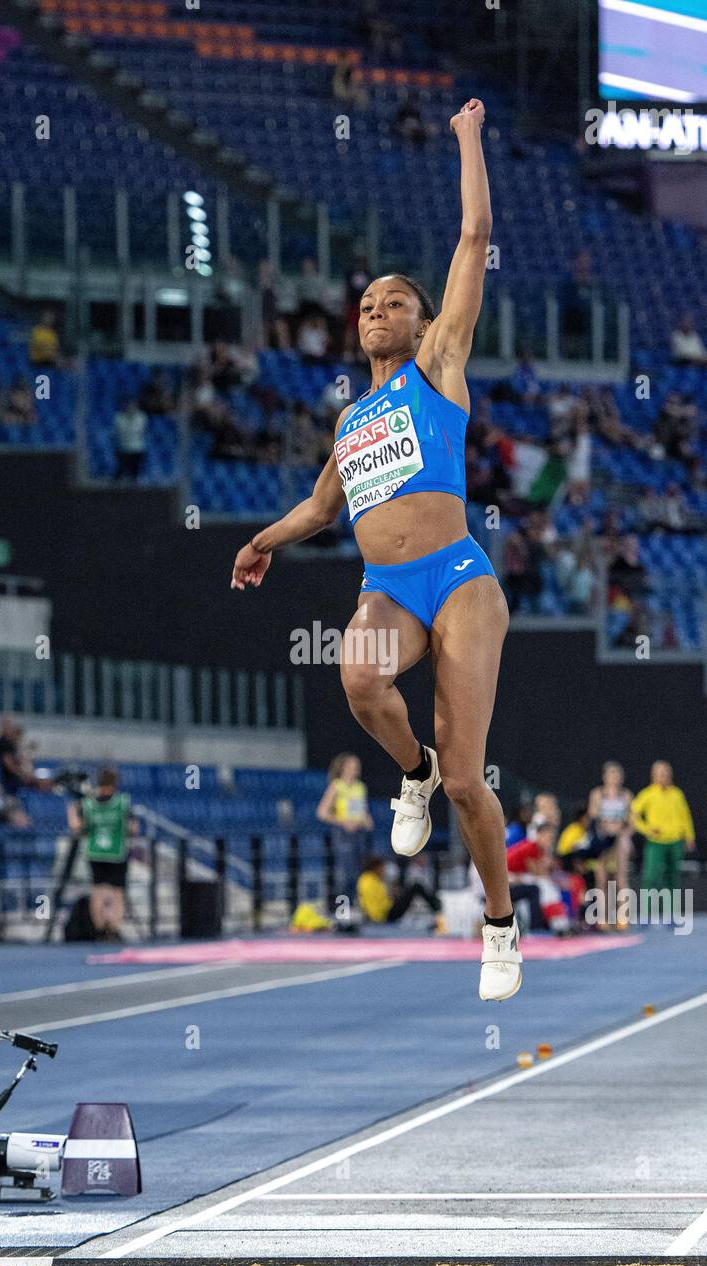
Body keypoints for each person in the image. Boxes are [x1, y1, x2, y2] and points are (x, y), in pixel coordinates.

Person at [233, 99, 522, 1001]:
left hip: (460, 578)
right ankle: (411, 776)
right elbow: (323, 504)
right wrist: (261, 539)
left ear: (420, 318)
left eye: (392, 299)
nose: (374, 309)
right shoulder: (353, 421)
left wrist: (468, 138)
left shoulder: (438, 365)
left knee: (472, 781)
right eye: (365, 303)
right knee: (360, 680)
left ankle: (501, 925)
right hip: (389, 585)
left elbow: (474, 236)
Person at [66, 767, 138, 940]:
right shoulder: (122, 802)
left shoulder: (88, 803)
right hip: (116, 852)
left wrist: (71, 812)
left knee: (98, 891)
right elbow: (133, 828)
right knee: (117, 893)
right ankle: (113, 929)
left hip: (95, 852)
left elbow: (77, 828)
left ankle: (99, 931)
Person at [630, 762, 695, 911]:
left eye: (666, 773)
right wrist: (647, 829)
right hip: (656, 843)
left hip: (675, 842)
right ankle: (646, 913)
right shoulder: (647, 794)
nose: (664, 776)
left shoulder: (677, 794)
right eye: (660, 773)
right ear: (653, 775)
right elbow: (633, 815)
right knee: (651, 877)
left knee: (673, 877)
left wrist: (689, 836)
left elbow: (685, 816)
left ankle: (671, 912)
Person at [317, 754, 373, 920]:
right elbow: (322, 812)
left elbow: (361, 809)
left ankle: (354, 910)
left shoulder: (360, 787)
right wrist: (342, 822)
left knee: (357, 874)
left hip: (359, 833)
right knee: (345, 875)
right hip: (343, 834)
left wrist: (367, 819)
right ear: (343, 768)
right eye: (352, 765)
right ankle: (341, 911)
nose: (356, 768)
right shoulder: (336, 786)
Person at [588, 760, 633, 900]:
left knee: (621, 879)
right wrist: (605, 830)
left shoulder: (626, 795)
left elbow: (633, 821)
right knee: (602, 880)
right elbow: (593, 817)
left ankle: (622, 918)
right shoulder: (597, 794)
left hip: (620, 839)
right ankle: (603, 917)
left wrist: (623, 833)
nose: (614, 779)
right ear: (604, 777)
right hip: (603, 840)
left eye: (617, 775)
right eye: (611, 775)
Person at [357, 855, 443, 927]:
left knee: (414, 888)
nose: (383, 870)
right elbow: (376, 902)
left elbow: (376, 899)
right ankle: (438, 908)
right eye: (382, 868)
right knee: (416, 887)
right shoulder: (369, 880)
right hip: (384, 914)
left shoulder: (369, 879)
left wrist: (394, 895)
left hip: (382, 912)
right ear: (376, 867)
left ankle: (437, 907)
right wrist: (393, 896)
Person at [113, 398, 147, 480]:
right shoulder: (119, 417)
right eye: (129, 405)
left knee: (135, 472)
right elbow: (120, 432)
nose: (130, 407)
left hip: (137, 448)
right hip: (122, 448)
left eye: (133, 405)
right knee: (120, 471)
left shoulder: (141, 417)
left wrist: (128, 431)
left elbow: (137, 431)